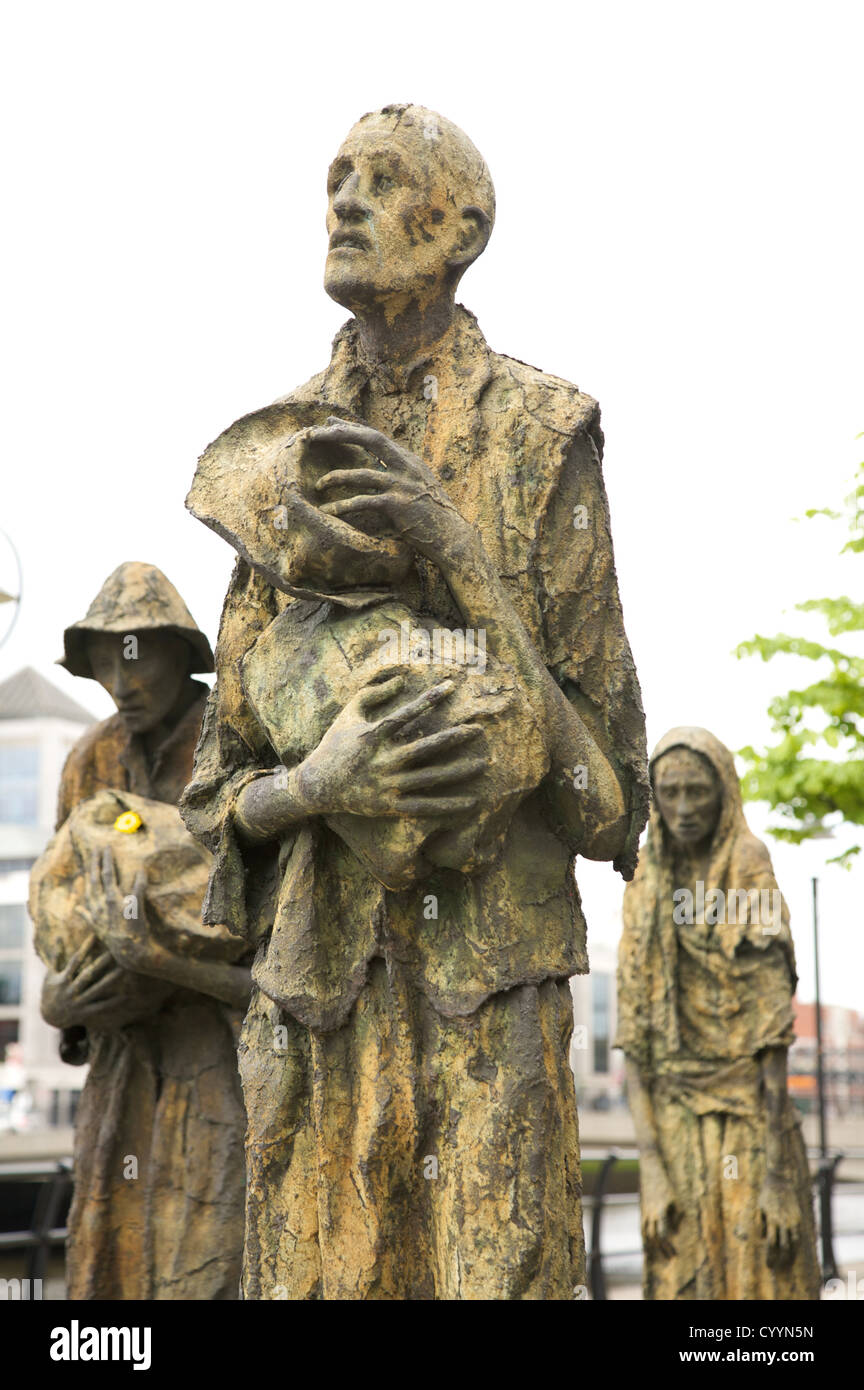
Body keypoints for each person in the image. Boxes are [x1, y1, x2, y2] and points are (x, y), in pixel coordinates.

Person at [182, 105, 648, 1300]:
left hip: (488, 1000)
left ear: (463, 226)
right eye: (334, 177)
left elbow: (611, 807)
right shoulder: (273, 456)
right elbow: (211, 798)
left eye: (382, 181)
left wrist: (463, 560)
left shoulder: (544, 437)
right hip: (315, 1001)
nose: (343, 199)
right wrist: (313, 787)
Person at [30, 561, 249, 1300]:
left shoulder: (235, 739)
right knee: (111, 1267)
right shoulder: (90, 758)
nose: (120, 682)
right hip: (120, 1066)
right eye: (101, 662)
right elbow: (60, 901)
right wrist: (60, 1007)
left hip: (215, 1051)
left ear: (180, 651)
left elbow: (273, 939)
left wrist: (162, 956)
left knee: (211, 1258)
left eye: (135, 657)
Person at [617, 726, 820, 1300]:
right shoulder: (646, 878)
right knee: (685, 1273)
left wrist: (778, 1177)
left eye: (697, 792)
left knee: (763, 1274)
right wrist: (650, 1171)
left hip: (753, 1119)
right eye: (669, 792)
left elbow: (770, 1031)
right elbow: (634, 1036)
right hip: (674, 1116)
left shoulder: (747, 864)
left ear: (723, 792)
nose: (682, 810)